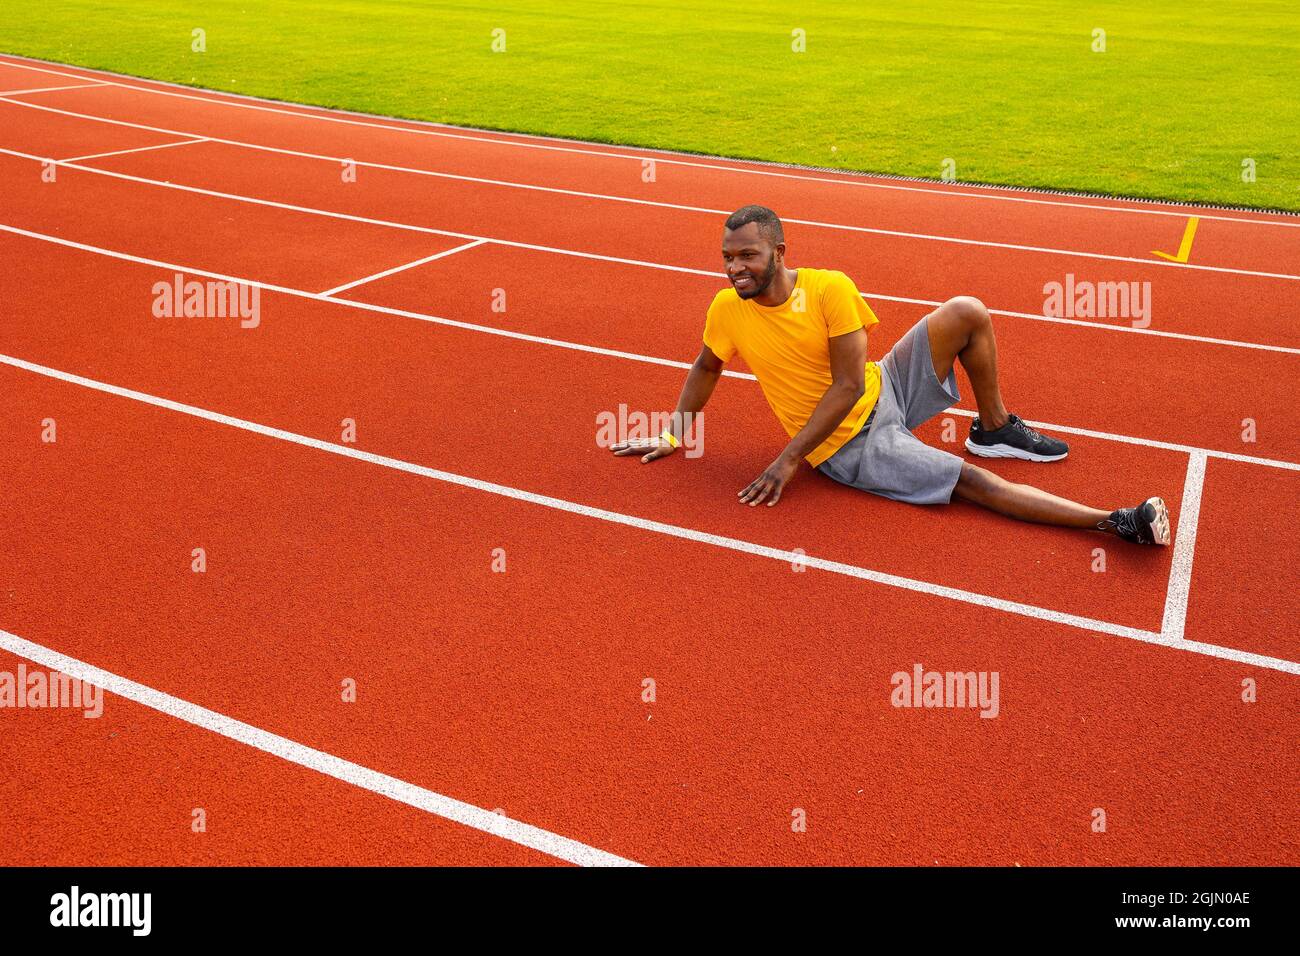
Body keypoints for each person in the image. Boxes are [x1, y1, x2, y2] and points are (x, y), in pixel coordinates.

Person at [611, 205, 1170, 546]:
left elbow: (851, 384)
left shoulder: (830, 289)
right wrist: (671, 433)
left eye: (748, 256)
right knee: (972, 486)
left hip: (884, 389)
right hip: (850, 446)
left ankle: (994, 428)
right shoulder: (726, 309)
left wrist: (784, 461)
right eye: (728, 257)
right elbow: (706, 366)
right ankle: (1113, 523)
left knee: (967, 310)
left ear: (780, 252)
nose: (735, 269)